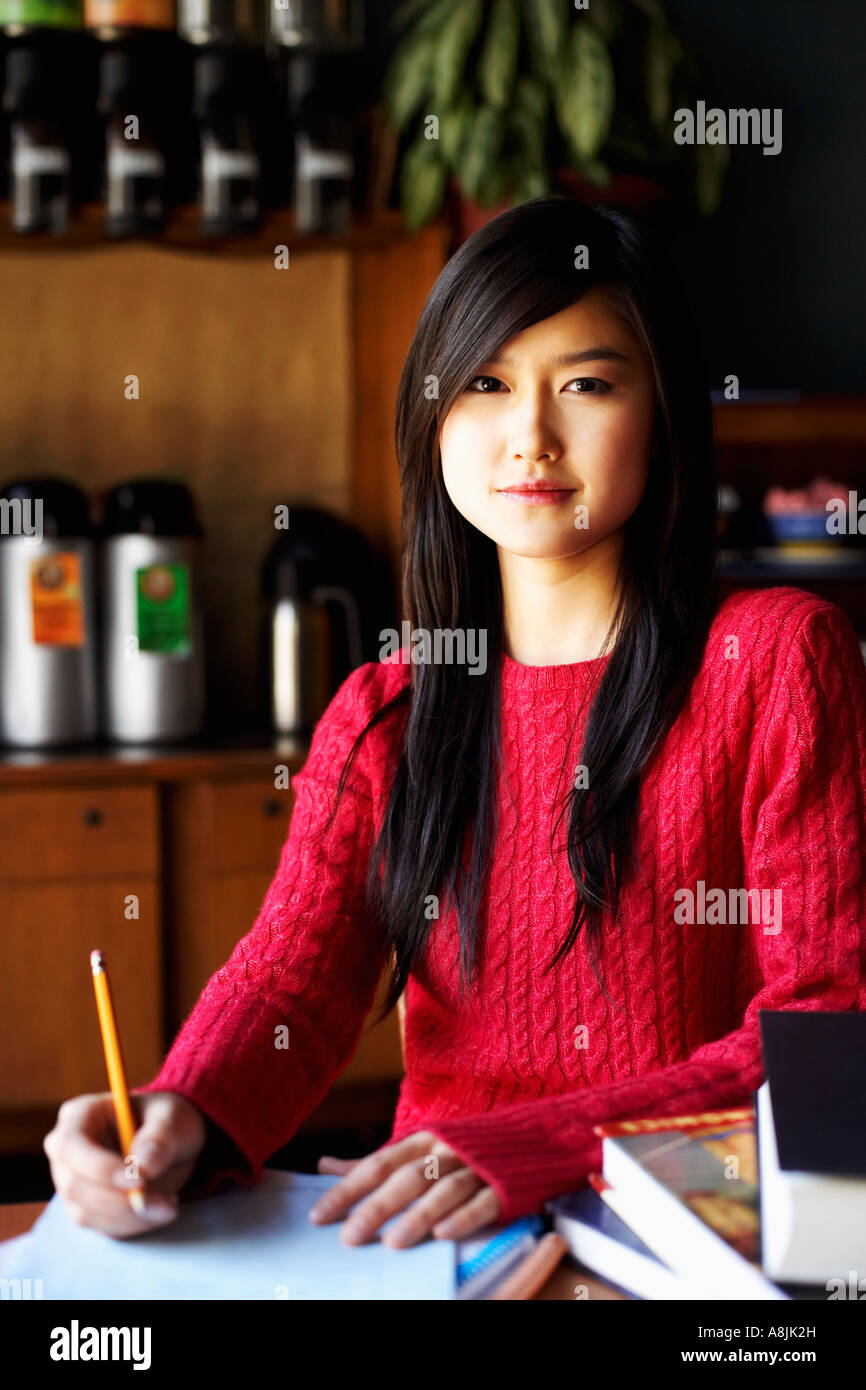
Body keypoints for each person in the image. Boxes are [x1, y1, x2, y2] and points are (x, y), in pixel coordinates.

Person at [44, 196, 866, 1250]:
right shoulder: (388, 707)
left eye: (585, 382)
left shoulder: (777, 660)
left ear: (659, 414)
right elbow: (290, 982)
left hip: (690, 1246)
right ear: (432, 415)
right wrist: (180, 1112)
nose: (529, 434)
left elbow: (826, 1030)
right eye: (484, 382)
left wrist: (537, 1144)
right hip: (430, 1246)